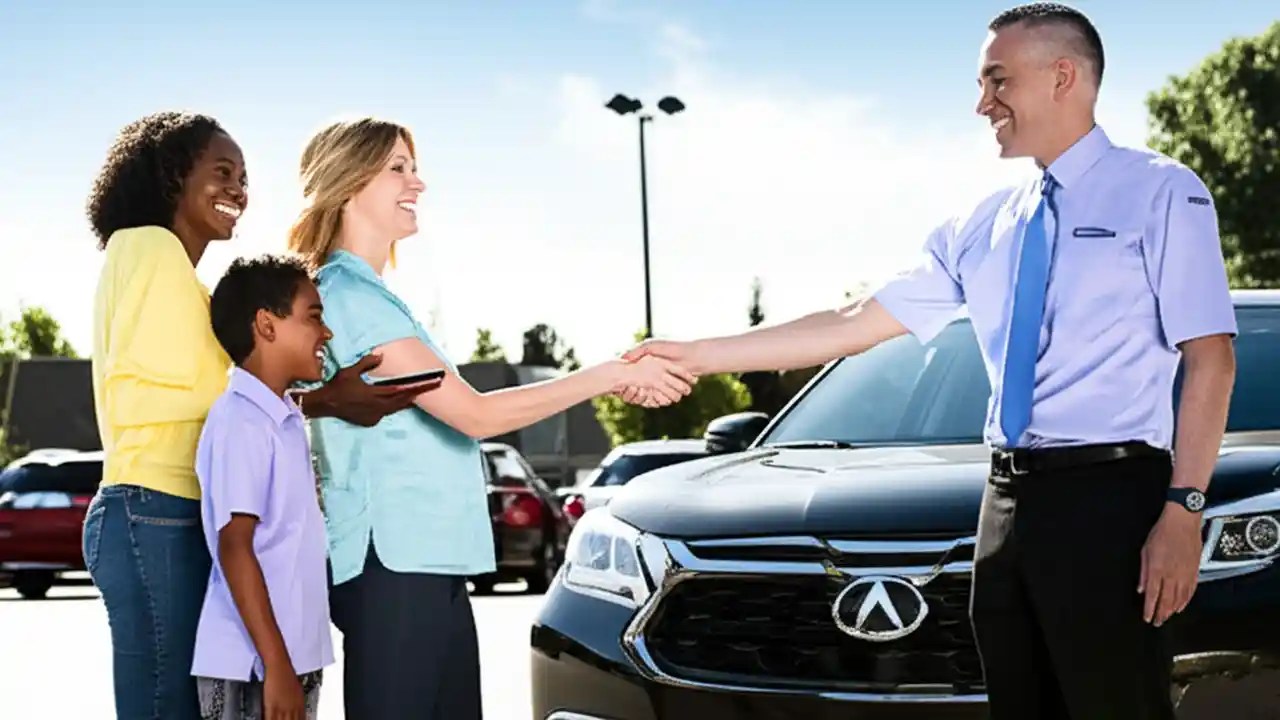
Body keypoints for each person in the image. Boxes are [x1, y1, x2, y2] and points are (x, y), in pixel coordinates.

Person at [622, 4, 1237, 719]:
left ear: (1063, 75)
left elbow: (1211, 359)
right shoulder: (982, 224)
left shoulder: (1162, 191)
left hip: (1112, 498)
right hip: (1004, 506)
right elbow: (854, 322)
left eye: (998, 81)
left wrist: (1183, 509)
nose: (983, 104)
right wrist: (698, 355)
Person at [283, 116, 695, 719]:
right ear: (349, 183)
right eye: (398, 168)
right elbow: (473, 414)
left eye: (413, 167)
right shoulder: (350, 297)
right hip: (394, 564)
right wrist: (608, 374)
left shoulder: (371, 294)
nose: (417, 183)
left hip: (428, 559)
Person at [83, 111, 438, 719]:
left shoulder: (186, 282)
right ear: (171, 175)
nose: (238, 190)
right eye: (221, 172)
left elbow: (225, 402)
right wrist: (324, 401)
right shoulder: (146, 245)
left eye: (244, 177)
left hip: (169, 510)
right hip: (152, 507)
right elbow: (187, 399)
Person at [190, 254, 336, 720]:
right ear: (266, 325)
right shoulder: (241, 419)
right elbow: (235, 545)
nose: (326, 333)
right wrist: (276, 664)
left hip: (290, 660)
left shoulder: (284, 416)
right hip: (252, 666)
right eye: (313, 317)